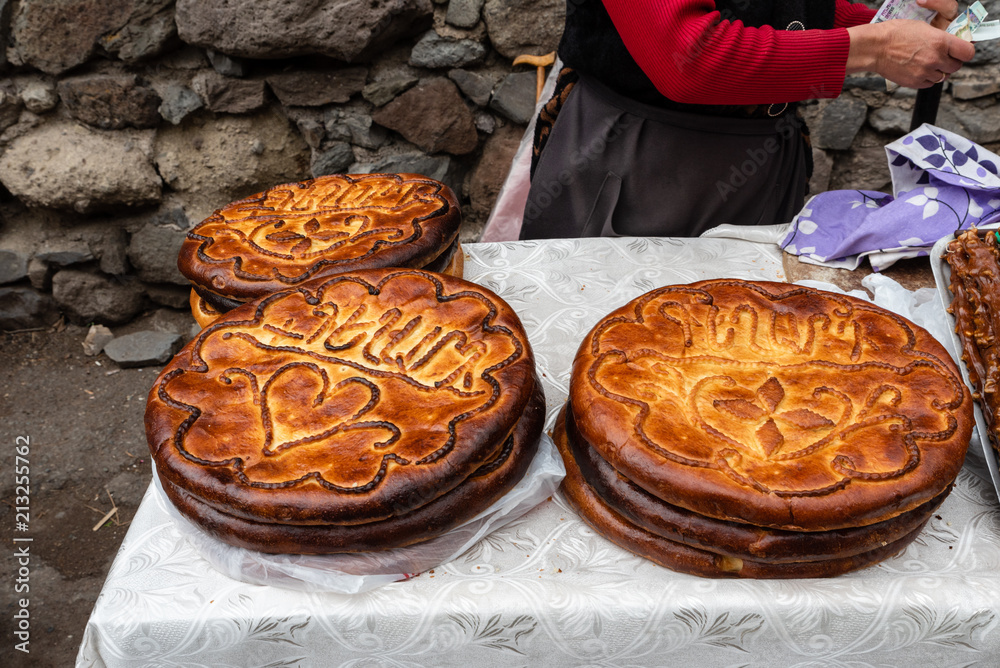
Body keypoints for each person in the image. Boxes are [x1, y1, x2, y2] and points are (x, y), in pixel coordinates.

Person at [519, 0, 975, 240]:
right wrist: (876, 46)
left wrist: (894, 23)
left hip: (766, 166)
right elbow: (690, 58)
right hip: (636, 162)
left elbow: (777, 7)